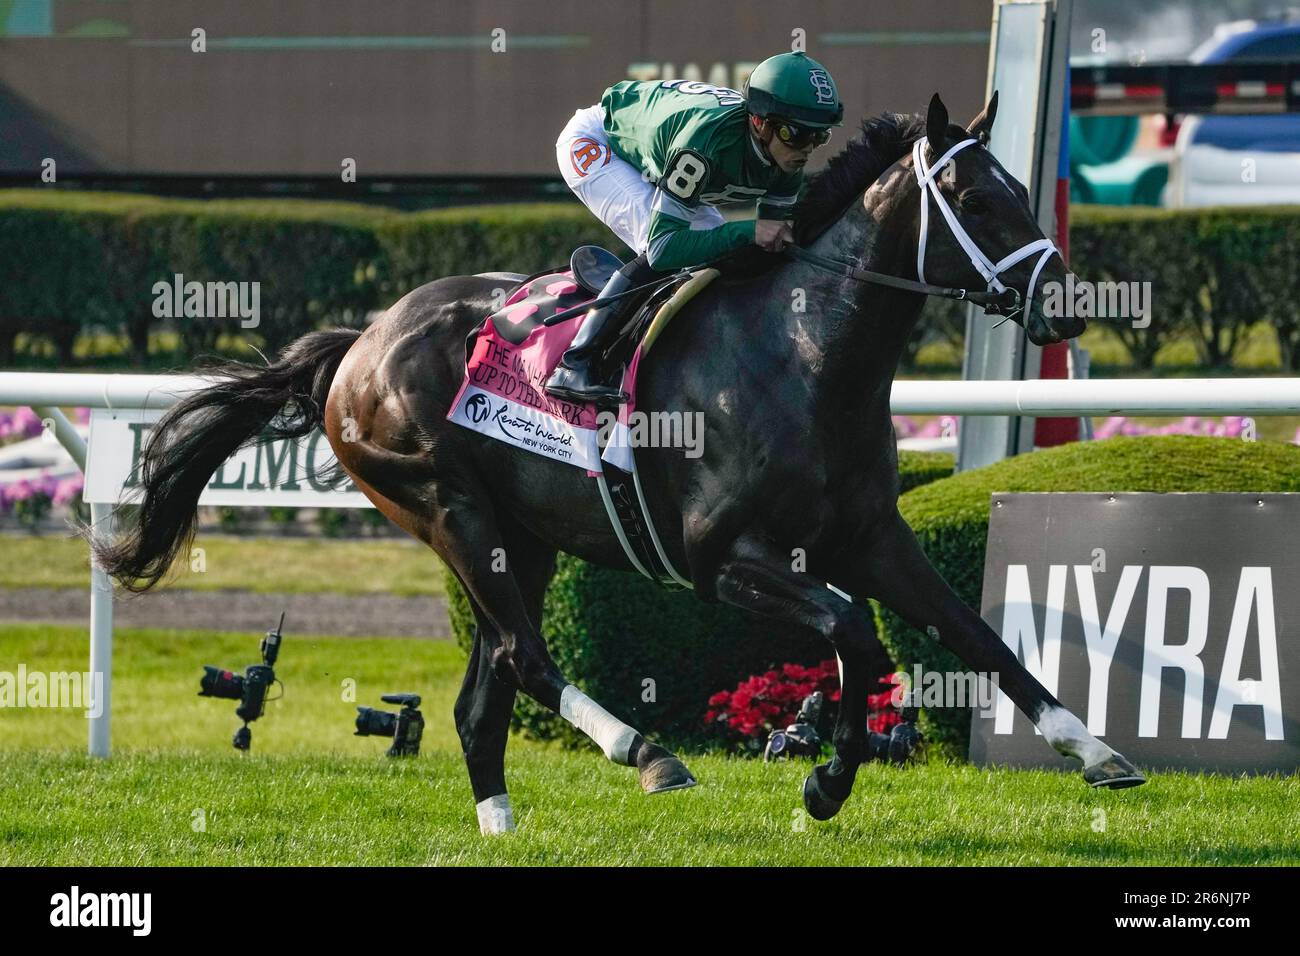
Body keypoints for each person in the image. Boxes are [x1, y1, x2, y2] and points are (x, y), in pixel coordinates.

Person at [546, 51, 843, 405]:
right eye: (794, 134)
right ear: (760, 123)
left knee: (718, 256)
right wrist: (748, 231)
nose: (806, 149)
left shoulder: (785, 157)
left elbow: (774, 242)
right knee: (666, 251)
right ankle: (576, 363)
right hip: (597, 142)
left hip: (659, 153)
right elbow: (664, 248)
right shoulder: (704, 143)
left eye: (818, 136)